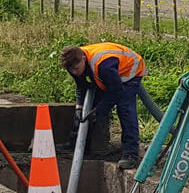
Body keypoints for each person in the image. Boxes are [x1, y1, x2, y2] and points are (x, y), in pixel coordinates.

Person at [61, 42, 147, 170]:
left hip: (129, 71)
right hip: (110, 76)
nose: (75, 72)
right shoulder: (75, 62)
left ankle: (131, 154)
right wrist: (79, 107)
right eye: (71, 70)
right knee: (89, 107)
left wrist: (99, 111)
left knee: (125, 110)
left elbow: (116, 91)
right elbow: (81, 86)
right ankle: (78, 145)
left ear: (83, 59)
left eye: (77, 69)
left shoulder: (103, 66)